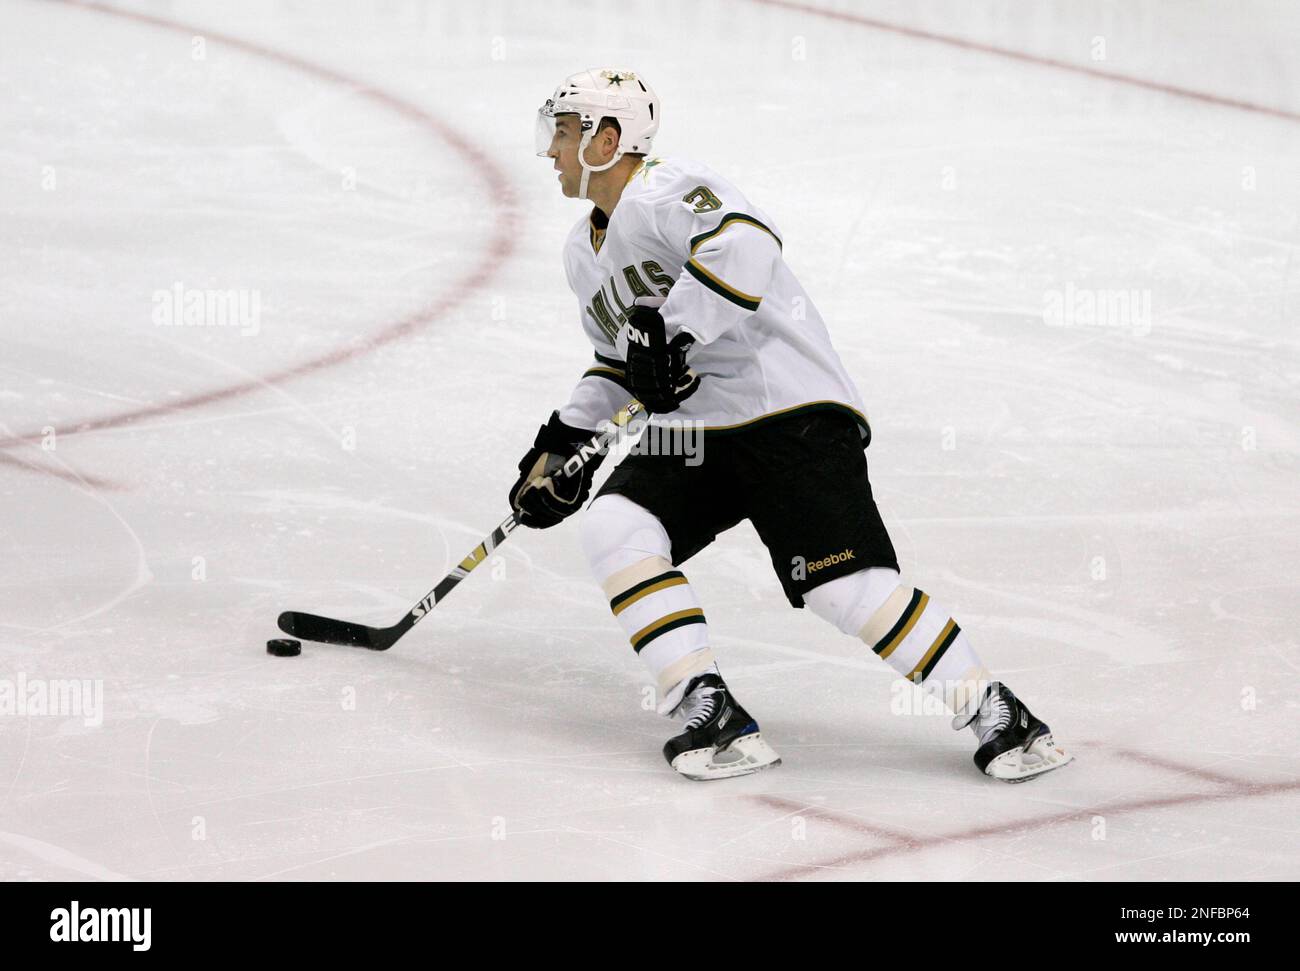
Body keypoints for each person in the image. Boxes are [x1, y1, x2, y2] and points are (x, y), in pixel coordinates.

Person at [510, 68, 1073, 782]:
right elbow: (621, 365)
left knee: (846, 589)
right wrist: (561, 447)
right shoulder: (579, 255)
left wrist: (673, 334)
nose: (549, 150)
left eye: (563, 133)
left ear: (606, 138)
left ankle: (1000, 713)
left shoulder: (666, 187)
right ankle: (710, 711)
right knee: (613, 524)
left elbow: (747, 245)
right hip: (699, 433)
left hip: (787, 409)